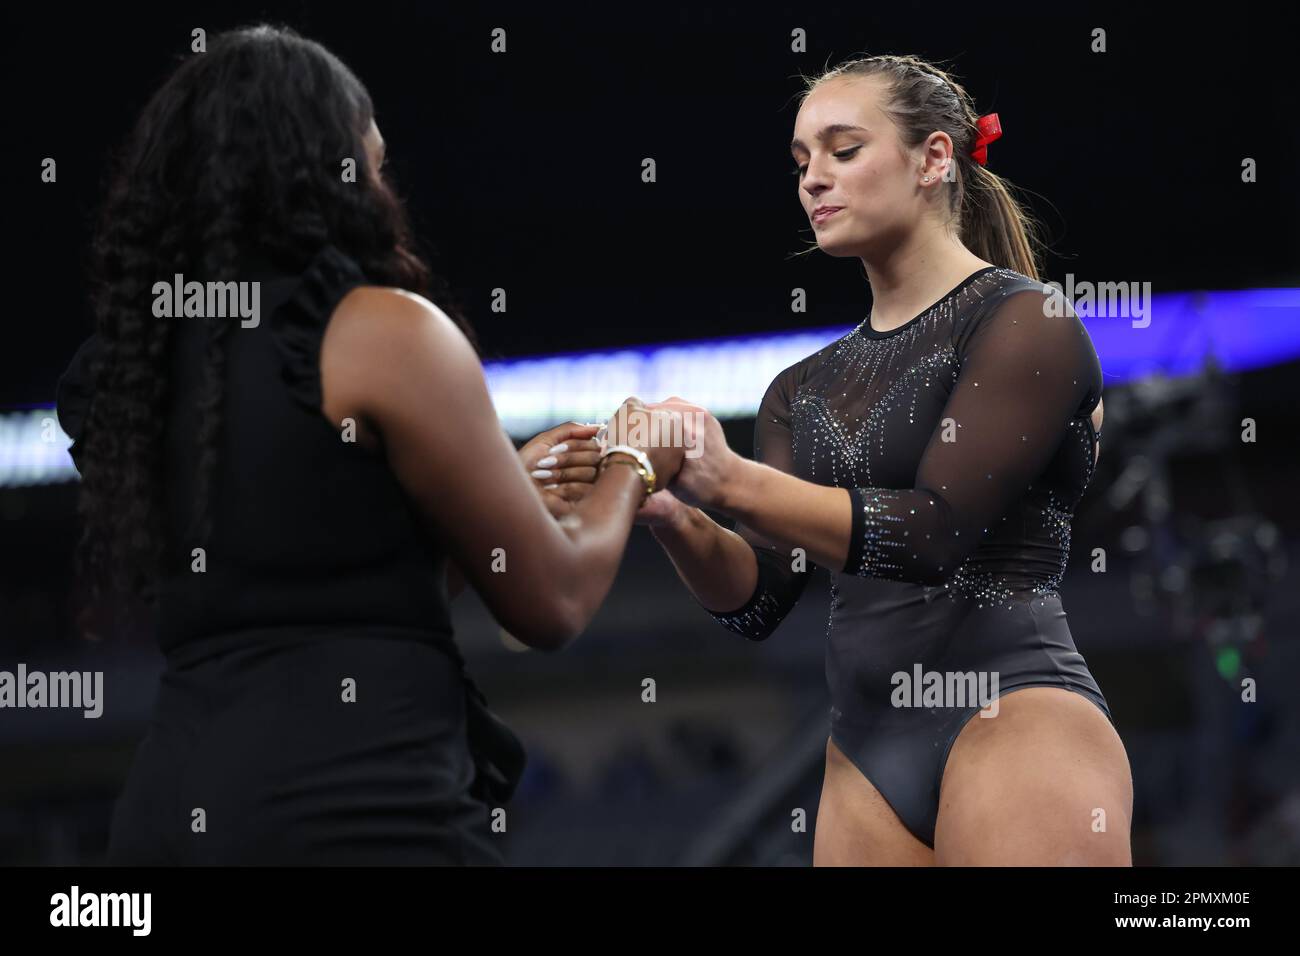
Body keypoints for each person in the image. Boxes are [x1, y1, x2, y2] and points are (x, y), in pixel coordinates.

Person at [56, 24, 681, 865]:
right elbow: (554, 602)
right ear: (331, 174)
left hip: (167, 826)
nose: (386, 189)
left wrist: (488, 502)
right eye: (376, 165)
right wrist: (631, 466)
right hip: (365, 817)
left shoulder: (132, 370)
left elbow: (324, 591)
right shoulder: (381, 331)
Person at [638, 55, 1133, 865]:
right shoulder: (801, 388)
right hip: (863, 754)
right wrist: (672, 513)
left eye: (843, 150)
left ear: (935, 159)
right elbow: (761, 599)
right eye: (801, 162)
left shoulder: (1025, 322)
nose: (813, 180)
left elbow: (934, 533)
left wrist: (728, 477)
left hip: (1012, 711)